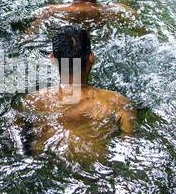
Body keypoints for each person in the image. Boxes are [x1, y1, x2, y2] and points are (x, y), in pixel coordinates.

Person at [19, 25, 135, 161]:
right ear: (91, 58)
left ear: (52, 58)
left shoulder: (32, 100)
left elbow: (16, 142)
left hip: (45, 162)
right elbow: (129, 147)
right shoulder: (117, 102)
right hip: (93, 169)